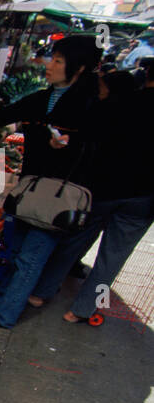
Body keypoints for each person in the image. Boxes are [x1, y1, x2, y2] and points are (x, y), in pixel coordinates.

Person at [0, 34, 101, 328]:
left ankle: (5, 314)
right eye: (52, 58)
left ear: (79, 68)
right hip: (27, 189)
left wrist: (72, 143)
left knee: (31, 259)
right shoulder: (41, 98)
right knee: (11, 252)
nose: (50, 65)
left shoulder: (91, 106)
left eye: (59, 60)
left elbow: (101, 146)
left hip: (57, 198)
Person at [26, 70, 154, 324]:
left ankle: (41, 293)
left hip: (102, 189)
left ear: (147, 75)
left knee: (73, 240)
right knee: (114, 256)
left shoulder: (120, 103)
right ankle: (81, 310)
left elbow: (84, 136)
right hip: (144, 198)